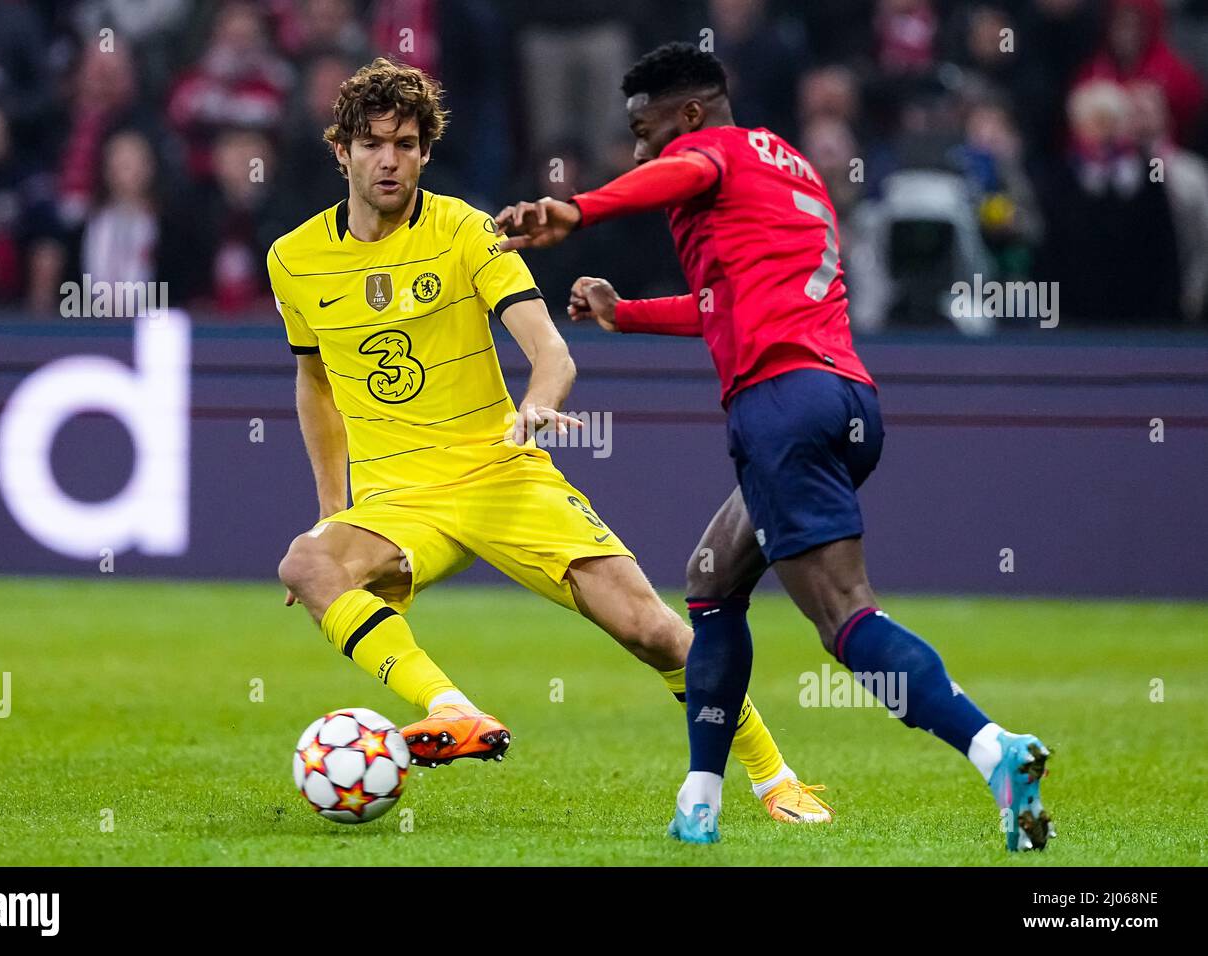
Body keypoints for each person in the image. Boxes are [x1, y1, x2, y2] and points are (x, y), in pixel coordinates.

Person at [496, 42, 1053, 850]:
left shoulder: (705, 153)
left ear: (688, 114)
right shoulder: (788, 163)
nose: (642, 148)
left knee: (843, 615)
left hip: (779, 404)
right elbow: (727, 299)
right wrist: (629, 314)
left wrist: (578, 209)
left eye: (646, 129)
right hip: (843, 396)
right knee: (712, 580)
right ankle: (700, 803)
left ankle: (993, 749)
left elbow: (679, 173)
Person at [268, 58, 828, 823]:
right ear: (342, 151)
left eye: (404, 143)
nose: (389, 159)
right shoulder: (294, 260)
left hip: (501, 472)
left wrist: (535, 406)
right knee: (306, 560)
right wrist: (334, 510)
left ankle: (777, 780)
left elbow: (554, 353)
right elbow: (316, 385)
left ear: (426, 152)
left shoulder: (468, 231)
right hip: (400, 498)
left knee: (651, 629)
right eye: (371, 145)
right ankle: (452, 709)